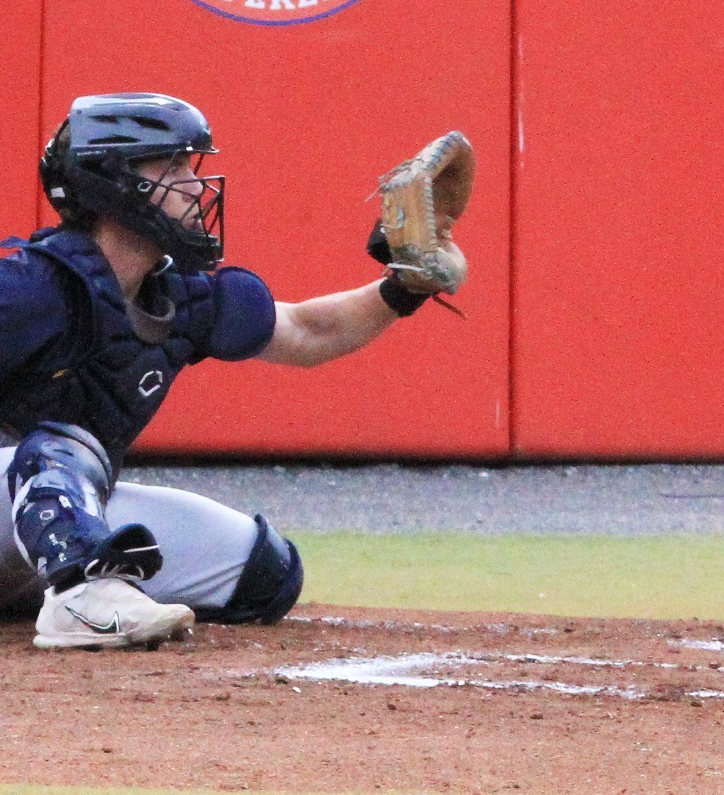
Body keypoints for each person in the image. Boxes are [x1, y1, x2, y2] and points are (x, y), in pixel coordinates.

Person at [0, 93, 459, 649]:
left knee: (263, 573)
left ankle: (70, 582)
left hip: (36, 518)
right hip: (35, 480)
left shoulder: (180, 298)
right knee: (61, 448)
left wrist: (404, 285)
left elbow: (311, 333)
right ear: (112, 182)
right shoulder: (30, 289)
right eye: (172, 166)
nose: (195, 186)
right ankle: (80, 600)